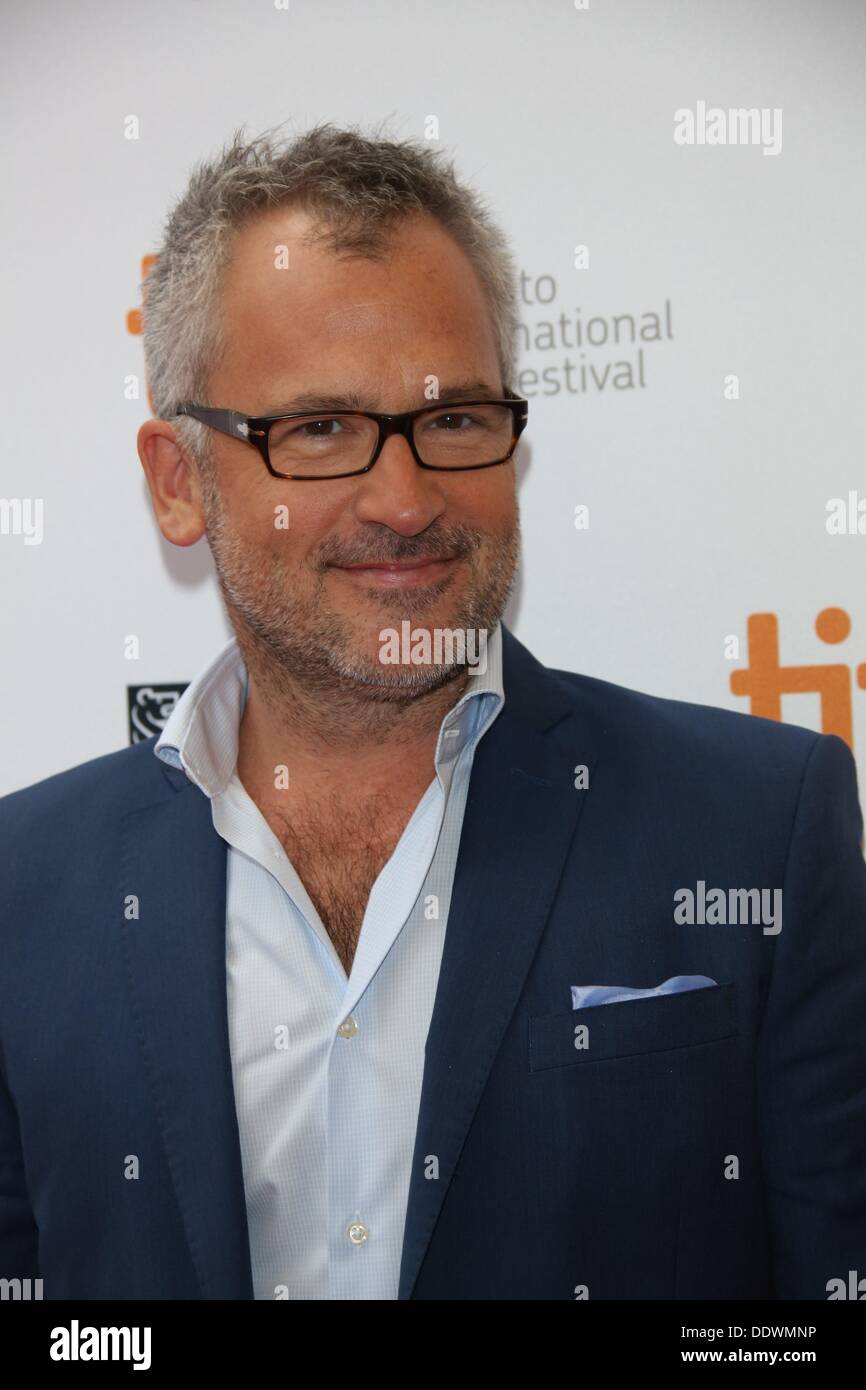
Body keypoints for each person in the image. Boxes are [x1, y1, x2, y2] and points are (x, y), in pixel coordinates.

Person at [1, 122, 864, 1301]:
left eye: (452, 418)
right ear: (178, 480)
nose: (404, 500)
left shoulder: (757, 825)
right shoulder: (23, 890)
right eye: (318, 430)